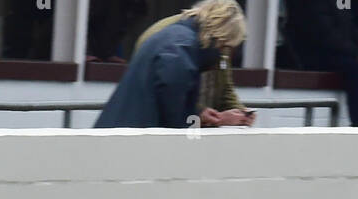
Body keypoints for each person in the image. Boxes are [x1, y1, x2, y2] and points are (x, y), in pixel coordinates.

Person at [94, 0, 247, 129]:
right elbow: (174, 120)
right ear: (220, 37)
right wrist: (215, 120)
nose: (222, 55)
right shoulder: (181, 50)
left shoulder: (174, 38)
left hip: (123, 131)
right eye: (224, 47)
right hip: (135, 140)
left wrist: (197, 113)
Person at [284, 0, 358, 128]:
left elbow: (351, 25)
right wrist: (357, 53)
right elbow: (325, 33)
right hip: (319, 54)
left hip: (343, 52)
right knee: (357, 69)